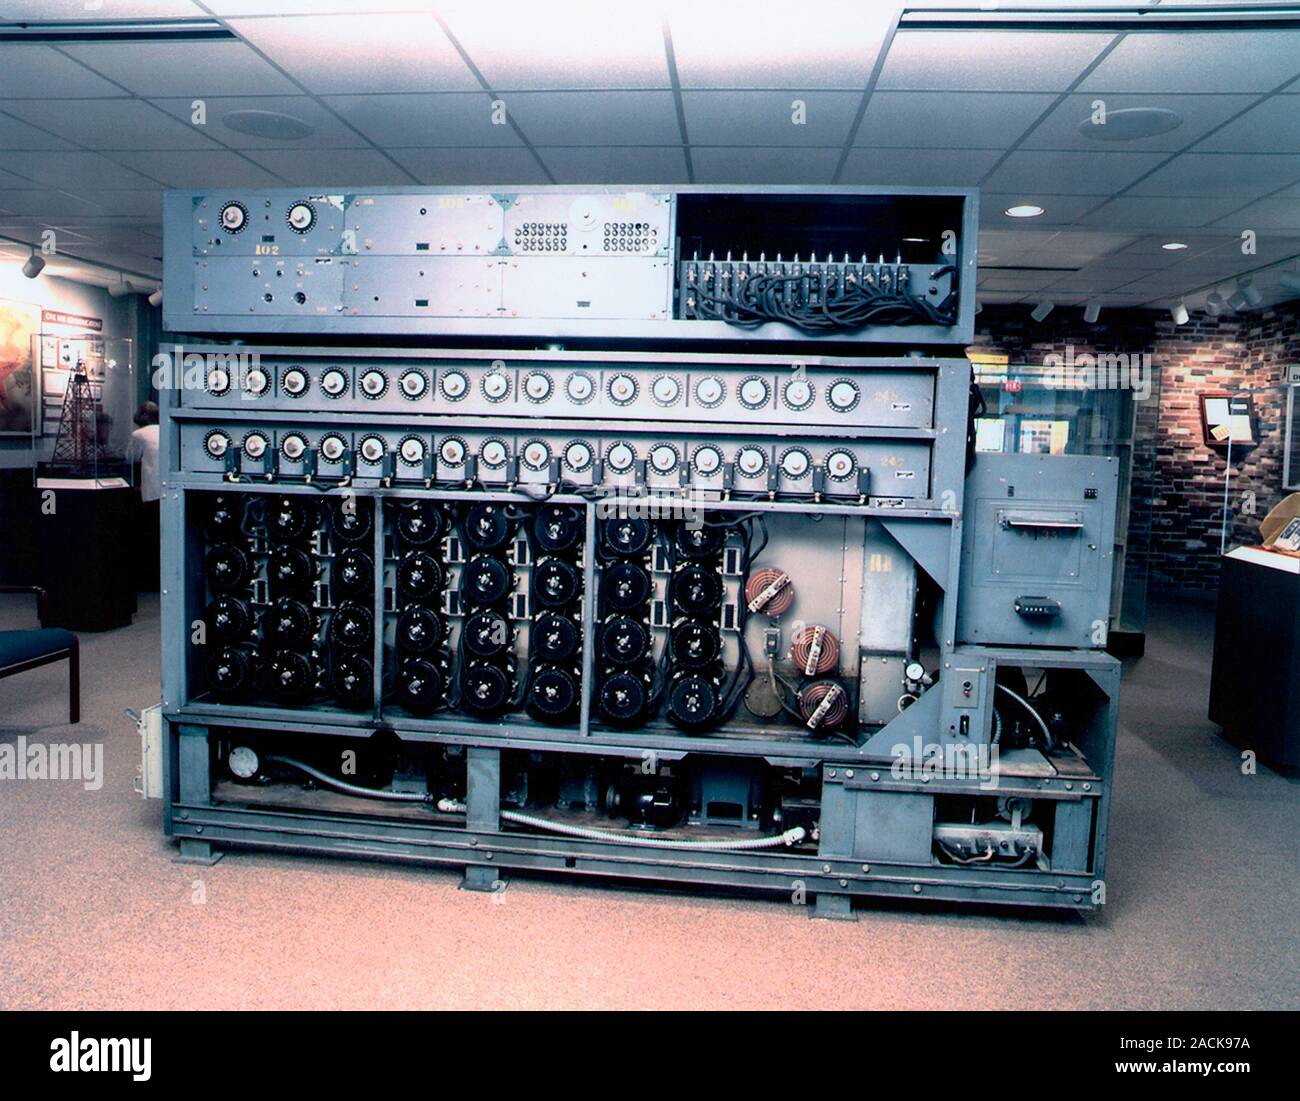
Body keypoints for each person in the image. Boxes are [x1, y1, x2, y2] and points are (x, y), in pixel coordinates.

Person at [127, 401, 161, 591]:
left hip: (150, 492)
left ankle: (146, 579)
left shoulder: (138, 434)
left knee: (148, 535)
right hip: (165, 491)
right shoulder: (165, 430)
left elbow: (129, 457)